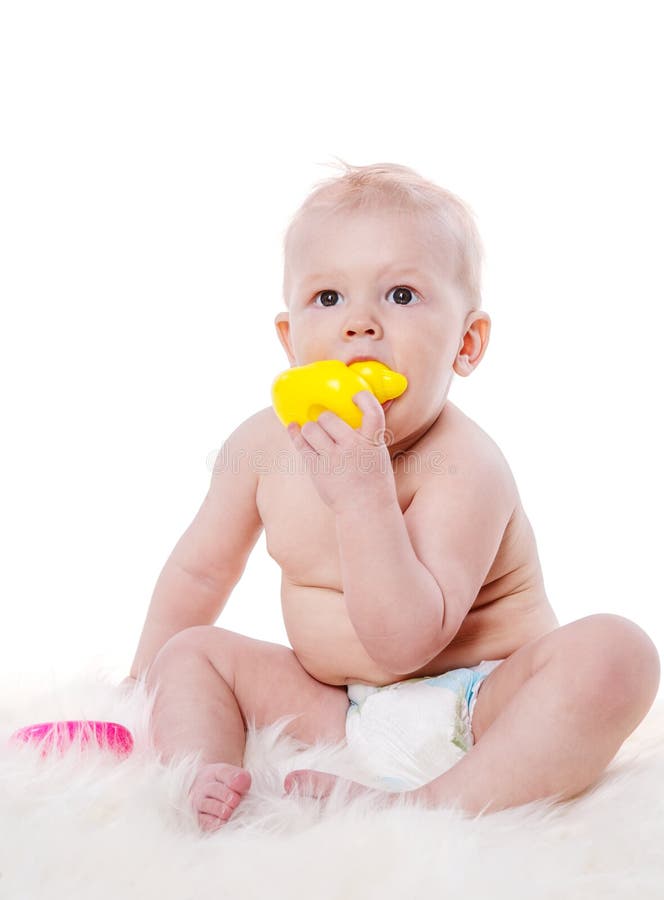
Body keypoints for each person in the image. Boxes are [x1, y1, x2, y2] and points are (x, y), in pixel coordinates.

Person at [126, 161, 660, 832]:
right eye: (328, 298)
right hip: (337, 707)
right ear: (290, 340)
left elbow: (404, 643)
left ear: (466, 344)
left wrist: (363, 498)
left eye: (401, 295)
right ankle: (205, 775)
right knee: (189, 653)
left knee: (618, 653)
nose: (360, 325)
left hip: (481, 707)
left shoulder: (465, 466)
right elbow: (199, 570)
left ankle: (432, 805)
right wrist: (141, 678)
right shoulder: (261, 448)